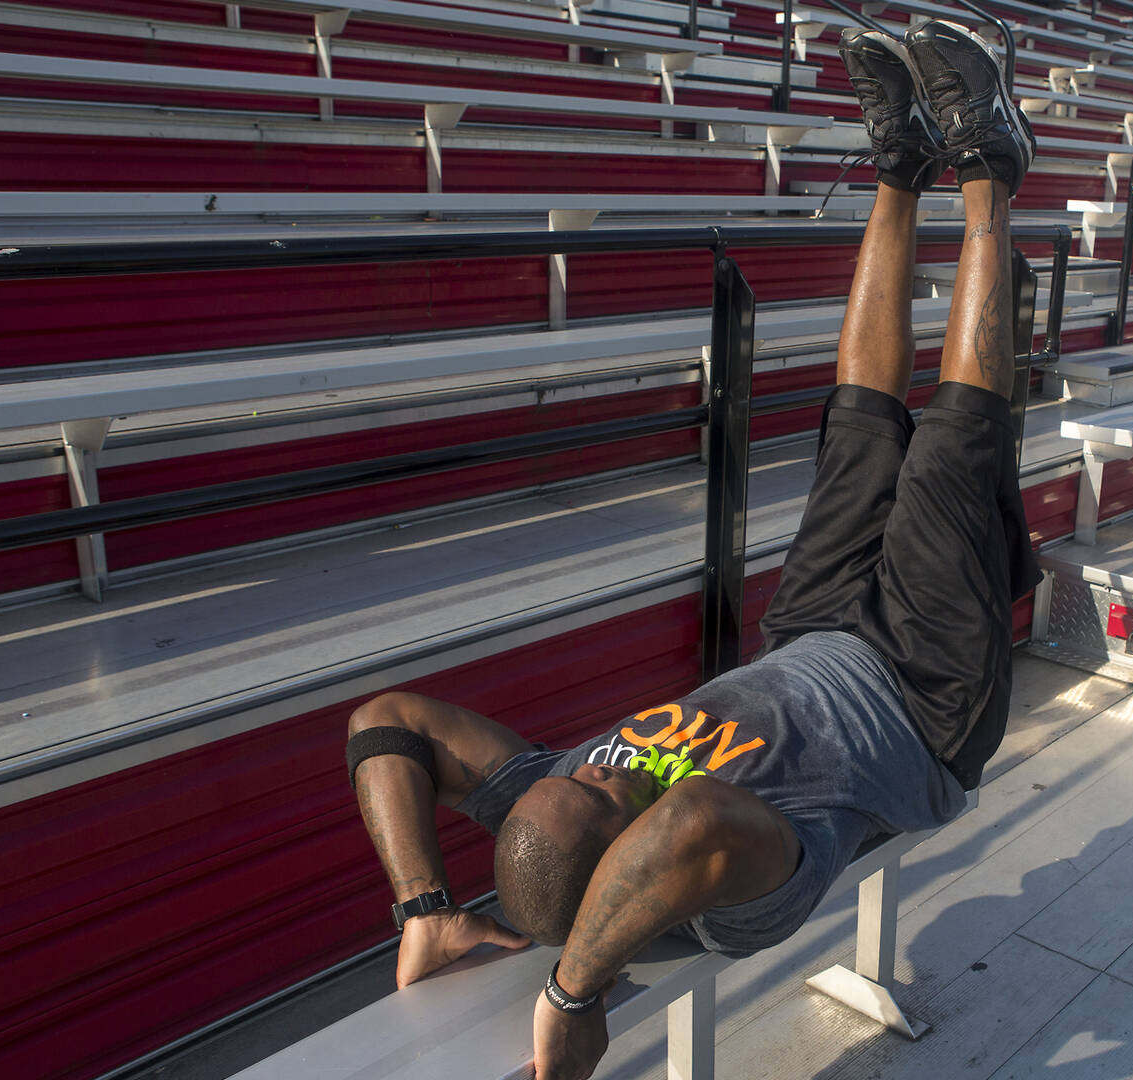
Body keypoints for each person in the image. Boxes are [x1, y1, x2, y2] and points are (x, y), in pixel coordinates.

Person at [339, 19, 1038, 1080]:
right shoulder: (729, 893)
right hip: (920, 703)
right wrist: (574, 994)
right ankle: (990, 164)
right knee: (951, 440)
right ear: (614, 870)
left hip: (809, 632)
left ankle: (900, 163)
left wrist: (424, 908)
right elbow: (696, 817)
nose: (604, 766)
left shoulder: (561, 795)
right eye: (604, 795)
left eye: (575, 776)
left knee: (855, 416)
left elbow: (386, 721)